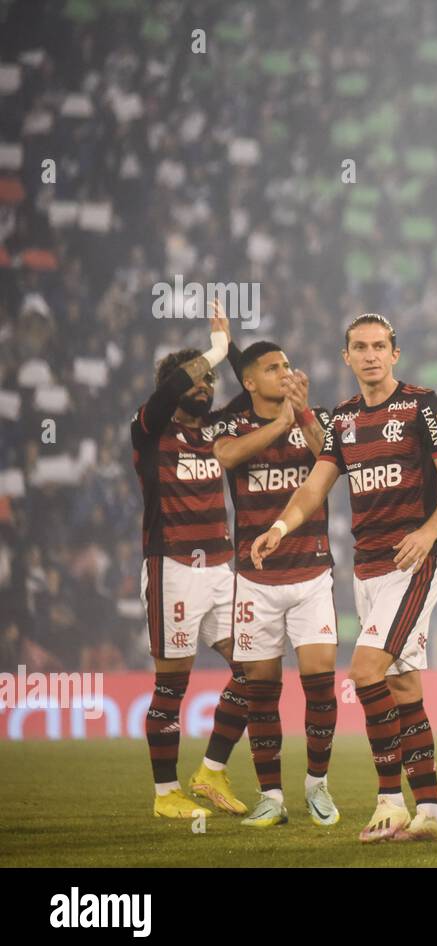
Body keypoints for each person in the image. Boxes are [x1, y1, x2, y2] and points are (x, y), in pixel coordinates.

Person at [251, 314, 437, 843]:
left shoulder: (423, 404)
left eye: (379, 346)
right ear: (345, 357)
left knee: (366, 671)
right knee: (401, 683)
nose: (370, 355)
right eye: (359, 347)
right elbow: (314, 487)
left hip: (412, 563)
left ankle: (390, 801)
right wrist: (279, 526)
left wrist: (428, 533)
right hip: (367, 570)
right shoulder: (344, 421)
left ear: (395, 353)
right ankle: (433, 811)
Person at [211, 341, 339, 828]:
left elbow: (329, 463)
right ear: (249, 382)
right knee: (262, 688)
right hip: (256, 578)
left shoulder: (313, 416)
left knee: (321, 682)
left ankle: (317, 784)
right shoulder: (229, 422)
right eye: (272, 368)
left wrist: (300, 414)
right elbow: (225, 456)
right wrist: (278, 424)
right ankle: (271, 796)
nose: (284, 372)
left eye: (287, 364)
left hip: (311, 570)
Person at [131, 302, 249, 820]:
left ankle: (211, 771)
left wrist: (233, 349)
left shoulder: (217, 431)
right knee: (171, 686)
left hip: (222, 569)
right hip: (172, 568)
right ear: (174, 390)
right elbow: (169, 391)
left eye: (210, 383)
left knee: (256, 671)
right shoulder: (149, 432)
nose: (205, 389)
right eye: (196, 382)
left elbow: (252, 389)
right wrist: (215, 350)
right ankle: (164, 796)